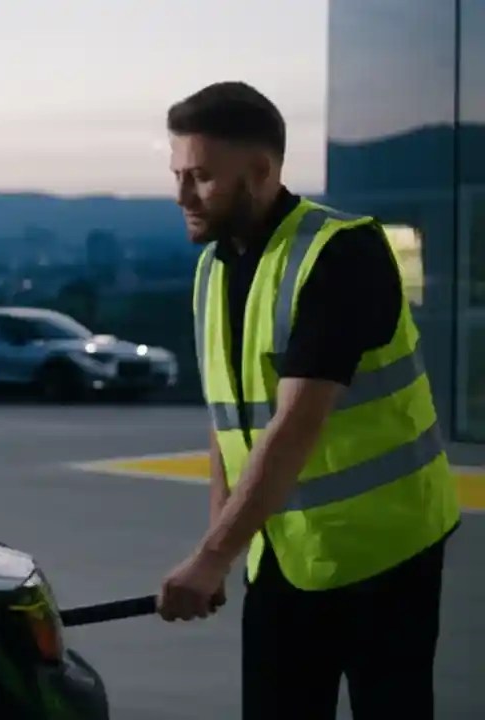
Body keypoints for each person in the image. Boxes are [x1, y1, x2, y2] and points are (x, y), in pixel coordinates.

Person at [153, 81, 460, 719]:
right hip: (284, 553)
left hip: (384, 549)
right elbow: (230, 415)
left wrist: (212, 558)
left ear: (261, 171)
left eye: (202, 177)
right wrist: (223, 541)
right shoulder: (216, 267)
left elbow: (296, 423)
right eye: (178, 174)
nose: (182, 194)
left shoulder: (343, 253)